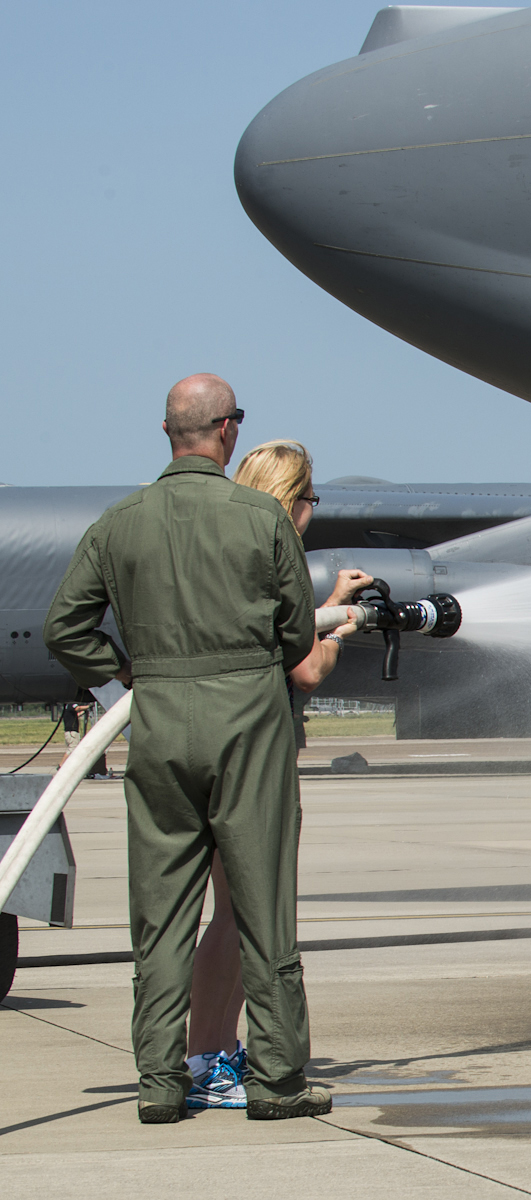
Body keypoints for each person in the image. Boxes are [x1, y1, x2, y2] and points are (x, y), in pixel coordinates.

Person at [44, 375, 334, 1122]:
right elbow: (297, 636)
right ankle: (276, 1081)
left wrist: (127, 669)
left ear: (166, 431)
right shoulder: (261, 520)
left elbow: (65, 628)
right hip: (249, 726)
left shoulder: (120, 520)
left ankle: (159, 1084)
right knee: (263, 904)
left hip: (162, 723)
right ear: (228, 430)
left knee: (163, 911)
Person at [183, 440, 371, 1111]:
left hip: (199, 745)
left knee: (221, 912)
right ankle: (206, 1055)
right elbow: (304, 668)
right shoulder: (276, 547)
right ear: (292, 500)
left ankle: (211, 1046)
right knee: (241, 916)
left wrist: (326, 601)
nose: (311, 511)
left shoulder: (219, 545)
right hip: (252, 759)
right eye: (310, 499)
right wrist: (341, 625)